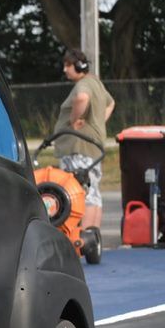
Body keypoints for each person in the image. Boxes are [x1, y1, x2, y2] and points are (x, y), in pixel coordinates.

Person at [53, 48, 115, 231]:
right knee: (93, 192)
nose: (65, 69)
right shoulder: (96, 83)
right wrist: (99, 122)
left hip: (78, 148)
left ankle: (82, 238)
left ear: (78, 66)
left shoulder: (84, 85)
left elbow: (81, 98)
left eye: (68, 65)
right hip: (92, 147)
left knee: (80, 192)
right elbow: (111, 103)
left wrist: (74, 120)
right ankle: (93, 237)